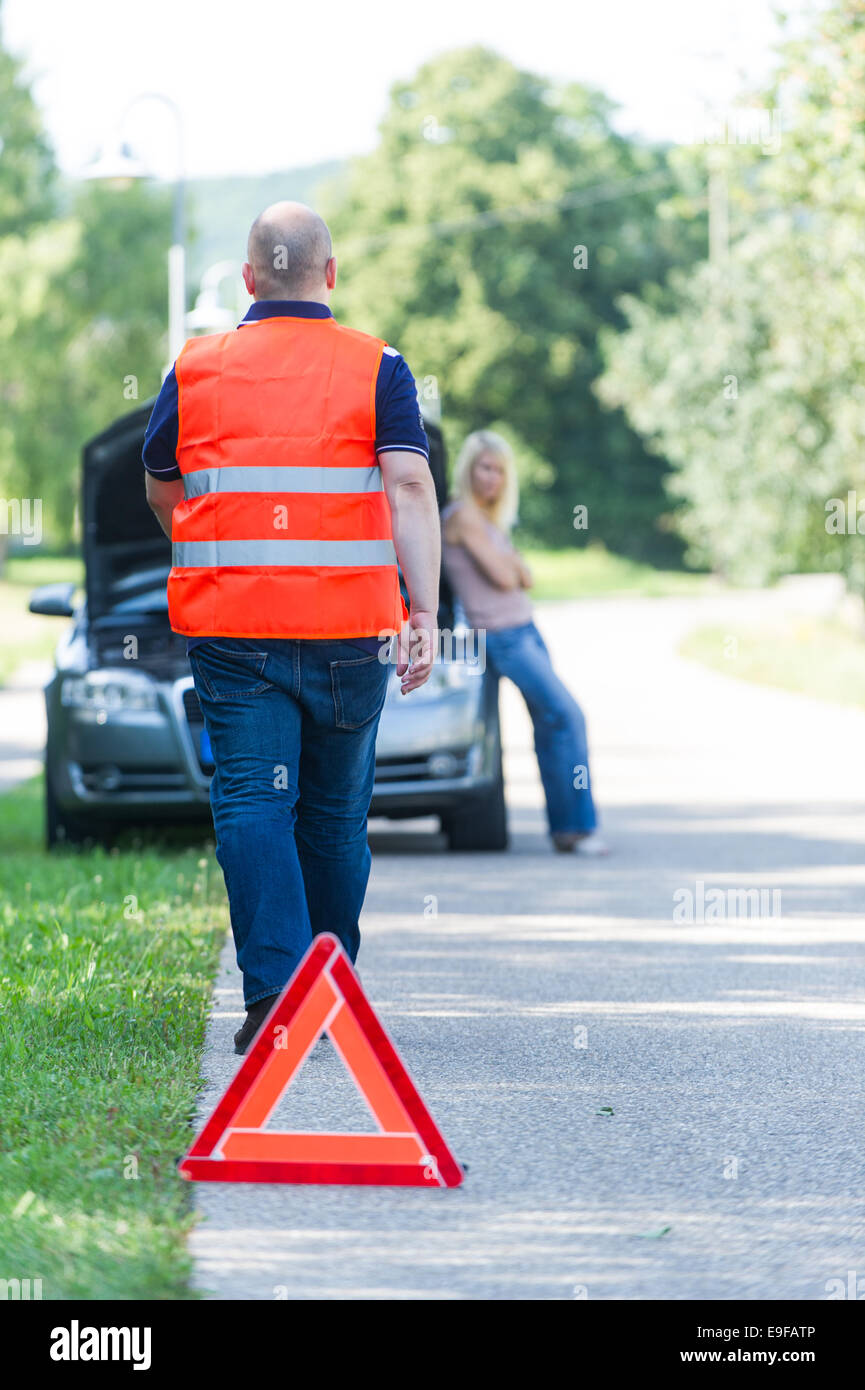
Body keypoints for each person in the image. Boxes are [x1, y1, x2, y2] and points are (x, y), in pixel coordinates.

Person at [143, 202, 440, 1053]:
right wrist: (422, 610)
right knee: (336, 817)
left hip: (235, 631)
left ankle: (275, 996)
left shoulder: (195, 367)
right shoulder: (376, 367)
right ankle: (330, 988)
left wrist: (216, 551)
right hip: (350, 631)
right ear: (331, 274)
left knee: (252, 801)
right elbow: (411, 488)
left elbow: (165, 487)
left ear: (247, 280)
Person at [441, 429, 606, 855]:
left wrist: (513, 566)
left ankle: (568, 830)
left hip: (524, 629)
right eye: (484, 467)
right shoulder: (462, 516)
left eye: (499, 470)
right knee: (567, 716)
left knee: (551, 726)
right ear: (468, 469)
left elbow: (526, 578)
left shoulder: (491, 520)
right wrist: (512, 565)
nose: (491, 478)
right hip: (501, 637)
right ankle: (580, 828)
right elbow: (505, 576)